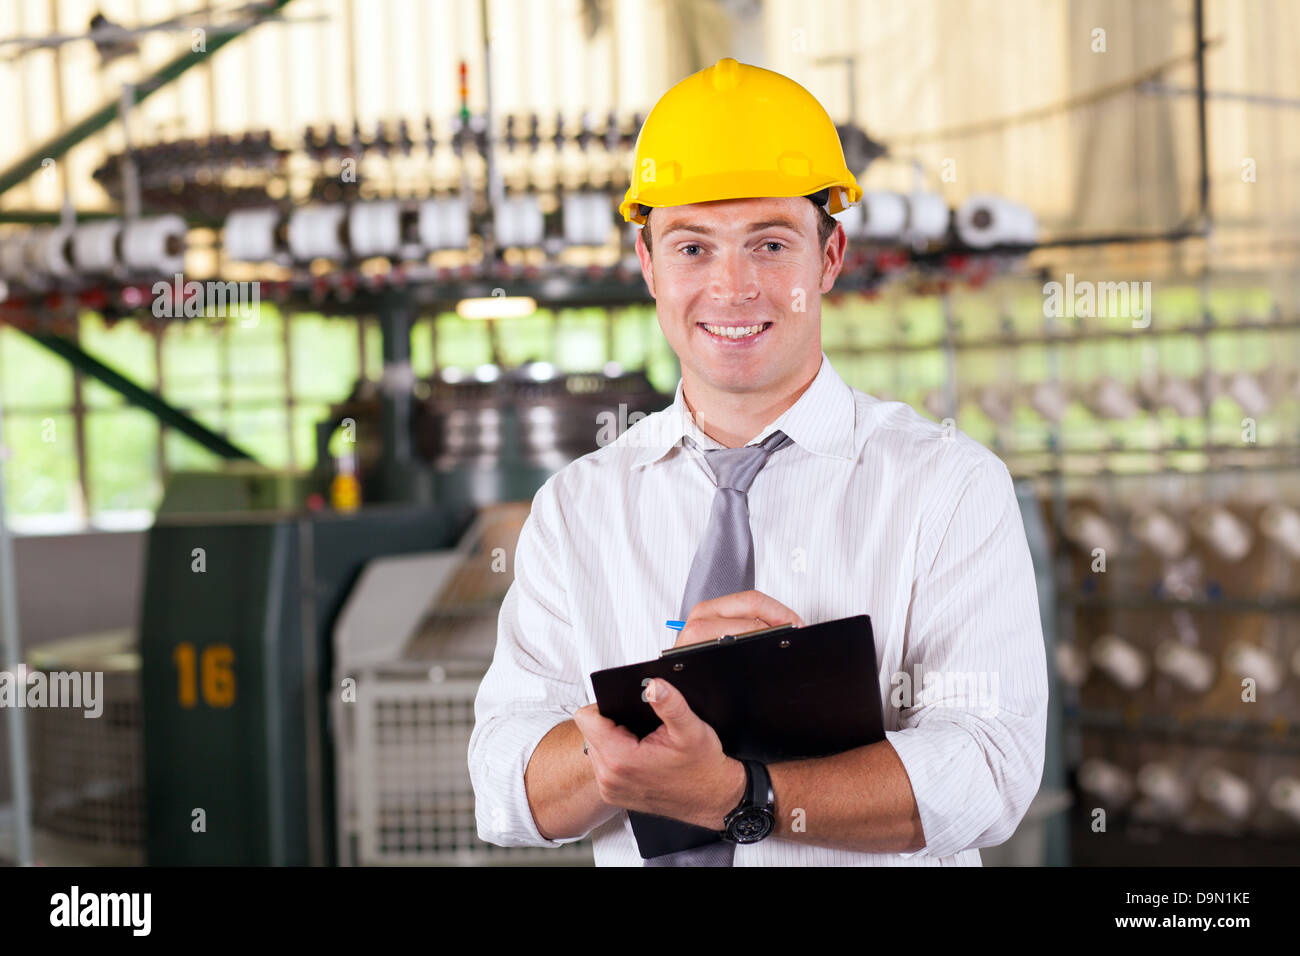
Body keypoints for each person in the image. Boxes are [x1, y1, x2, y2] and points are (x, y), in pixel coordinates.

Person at [468, 57, 1048, 866]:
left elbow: (989, 769)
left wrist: (741, 796)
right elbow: (504, 783)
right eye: (693, 247)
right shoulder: (577, 507)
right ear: (648, 266)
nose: (732, 288)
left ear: (830, 256)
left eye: (770, 244)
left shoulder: (946, 486)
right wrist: (659, 707)